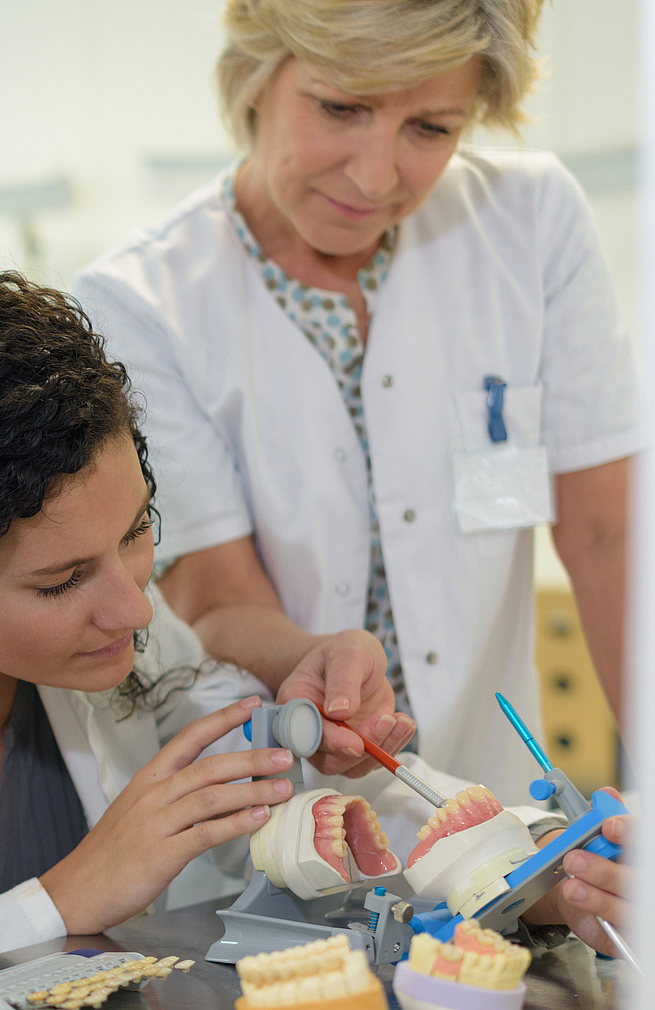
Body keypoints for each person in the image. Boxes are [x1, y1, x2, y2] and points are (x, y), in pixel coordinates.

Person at [0, 274, 627, 1010]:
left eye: (136, 532)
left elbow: (270, 820)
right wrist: (69, 894)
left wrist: (512, 869)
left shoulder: (114, 629)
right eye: (59, 581)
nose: (132, 608)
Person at [73, 0, 636, 800]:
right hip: (283, 805)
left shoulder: (531, 222)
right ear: (257, 74)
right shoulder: (140, 302)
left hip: (500, 800)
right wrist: (315, 663)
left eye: (431, 128)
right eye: (341, 108)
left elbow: (612, 536)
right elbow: (215, 592)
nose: (376, 177)